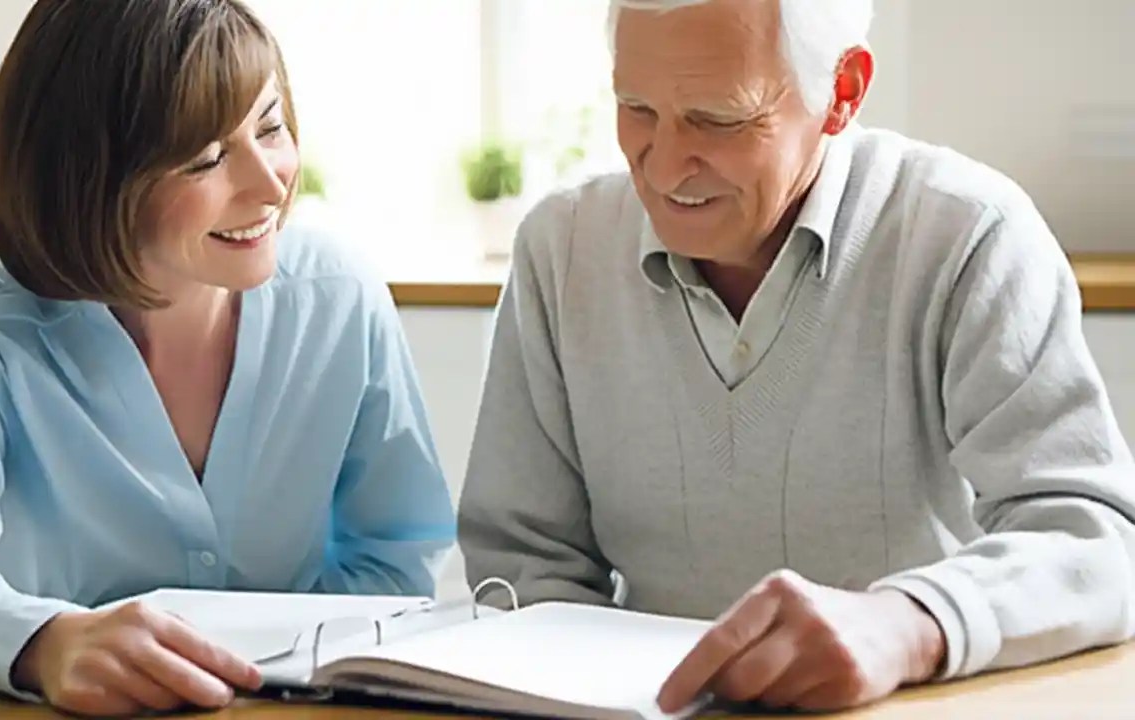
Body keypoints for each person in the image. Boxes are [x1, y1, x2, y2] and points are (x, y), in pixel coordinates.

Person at [458, 0, 1135, 712]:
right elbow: (522, 566)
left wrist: (907, 625)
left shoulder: (967, 236)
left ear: (842, 91)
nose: (663, 164)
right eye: (636, 107)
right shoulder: (560, 252)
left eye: (718, 118)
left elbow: (1096, 542)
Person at [0, 1, 456, 716]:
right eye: (206, 158)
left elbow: (397, 557)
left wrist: (280, 672)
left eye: (271, 127)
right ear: (90, 173)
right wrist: (43, 643)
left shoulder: (340, 297)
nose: (271, 184)